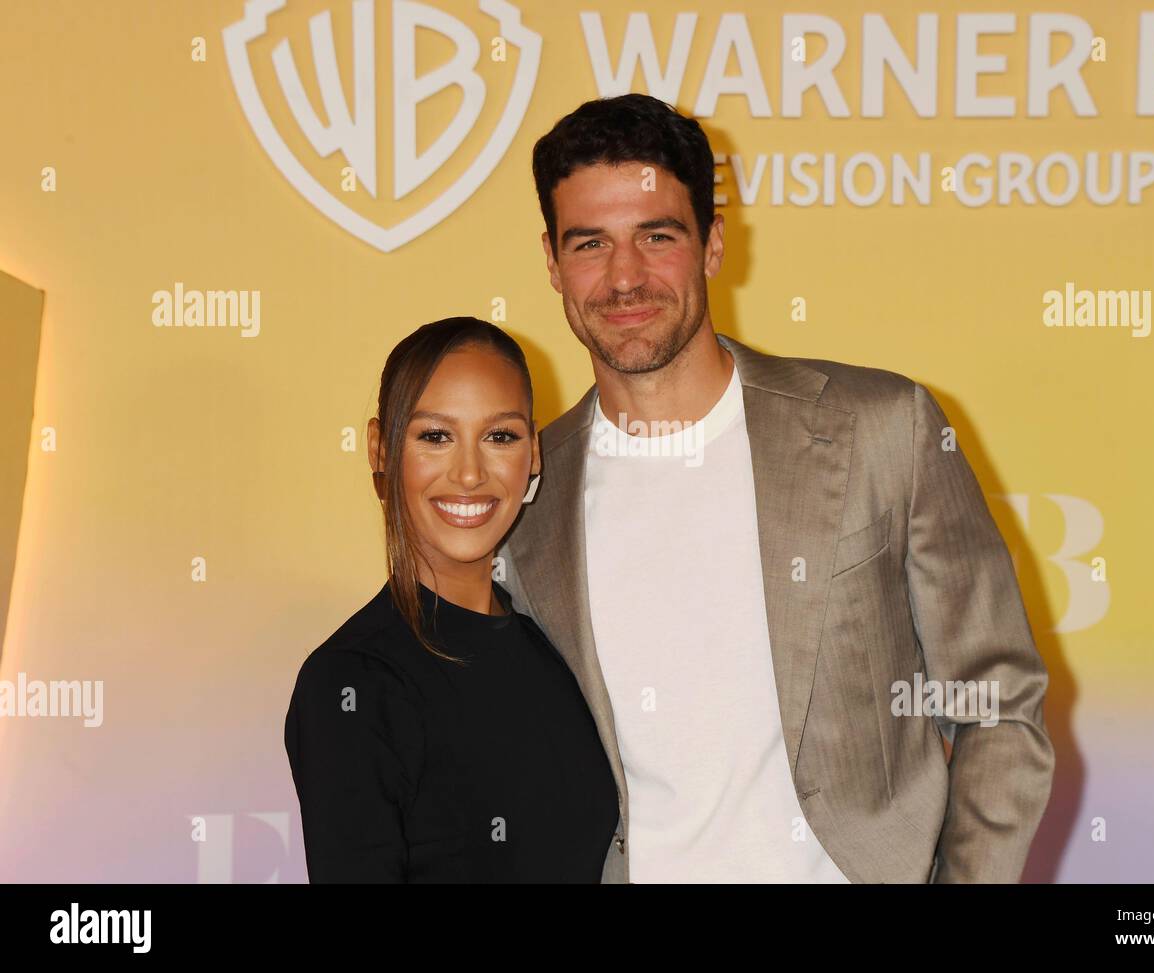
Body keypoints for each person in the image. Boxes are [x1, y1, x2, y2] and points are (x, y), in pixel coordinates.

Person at [496, 94, 1055, 883]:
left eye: (658, 236)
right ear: (552, 262)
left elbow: (995, 699)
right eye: (591, 244)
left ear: (713, 244)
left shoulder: (882, 428)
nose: (625, 278)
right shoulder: (524, 493)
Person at [284, 317, 618, 882]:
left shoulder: (556, 643)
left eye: (500, 436)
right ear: (380, 448)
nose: (469, 473)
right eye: (435, 436)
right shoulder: (352, 682)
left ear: (533, 453)